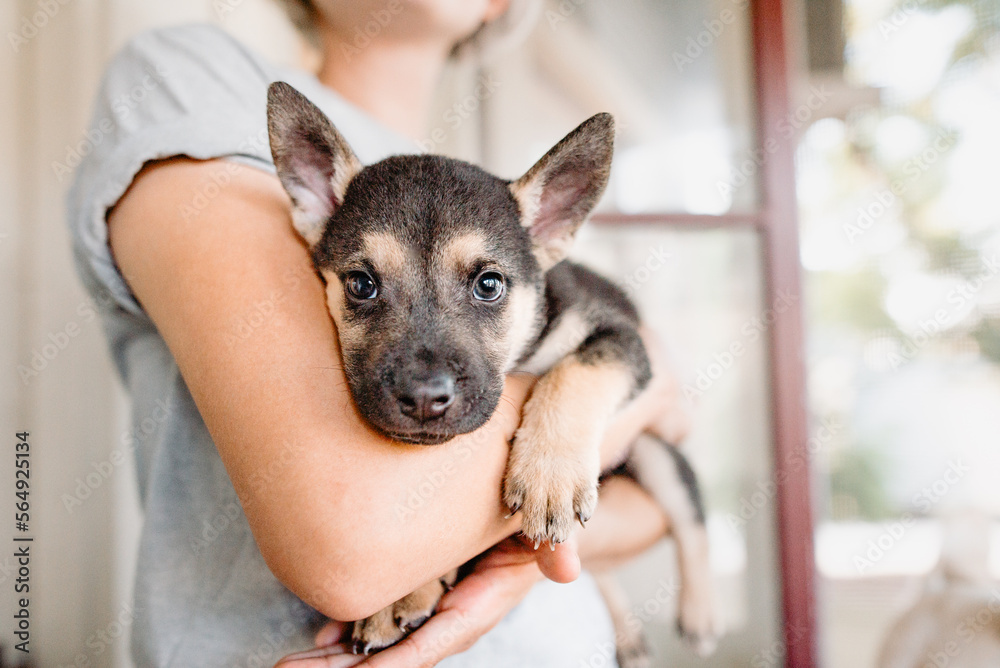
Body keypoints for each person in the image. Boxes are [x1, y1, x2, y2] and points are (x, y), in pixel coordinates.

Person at [67, 1, 687, 665]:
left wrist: (516, 560)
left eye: (482, 288)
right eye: (366, 287)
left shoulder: (495, 204)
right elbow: (350, 553)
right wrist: (618, 392)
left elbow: (653, 478)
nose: (427, 384)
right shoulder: (193, 77)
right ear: (313, 194)